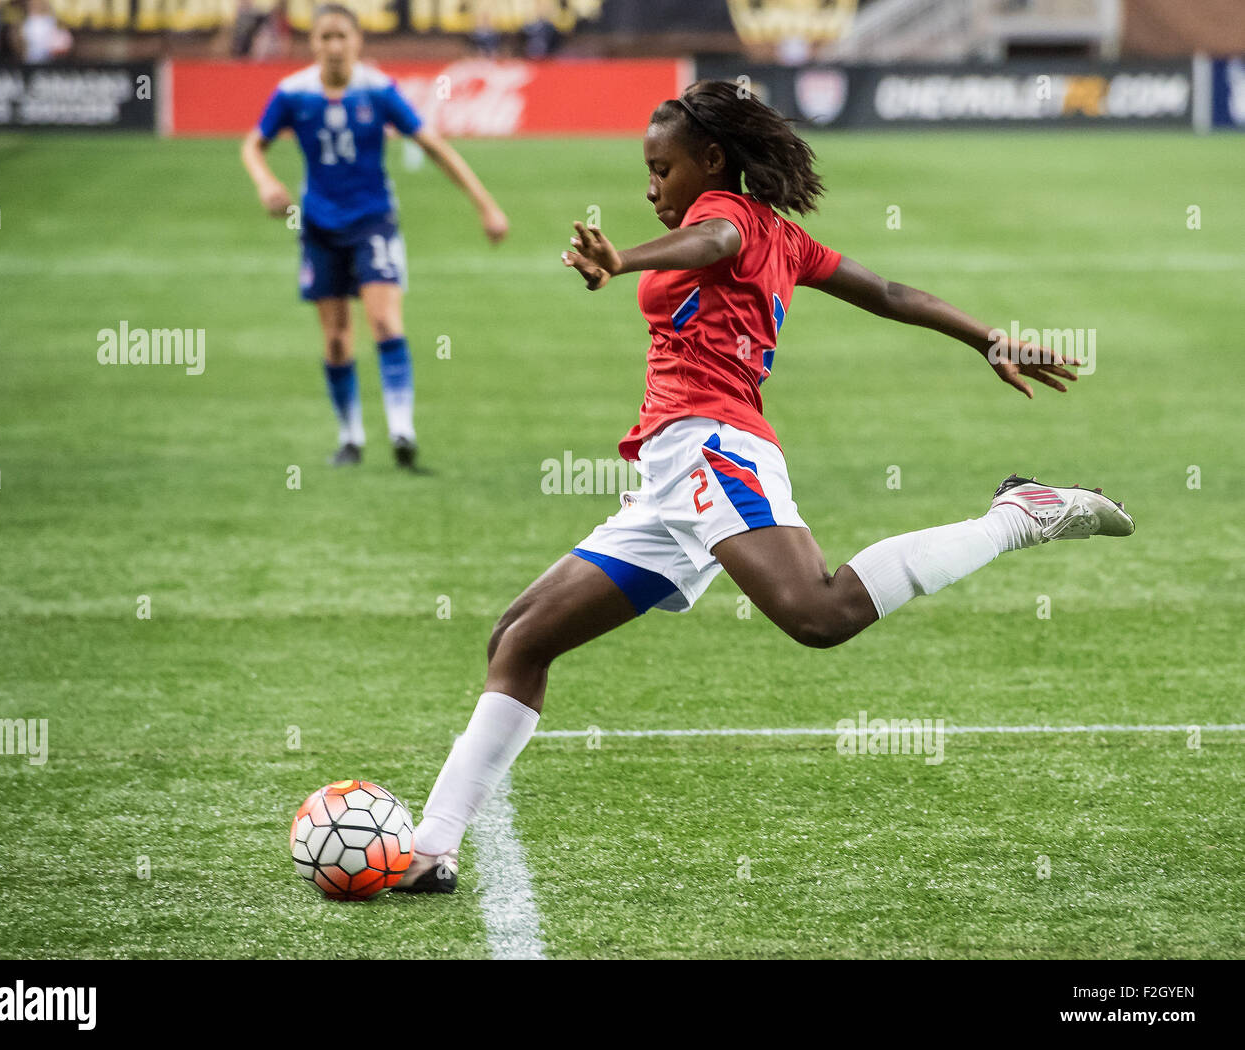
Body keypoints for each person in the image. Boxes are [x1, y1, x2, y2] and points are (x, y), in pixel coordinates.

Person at [393, 80, 1134, 892]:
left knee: (818, 614)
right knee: (521, 639)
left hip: (715, 452)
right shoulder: (782, 236)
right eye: (646, 171)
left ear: (712, 160)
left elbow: (711, 239)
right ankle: (431, 848)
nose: (650, 187)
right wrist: (986, 338)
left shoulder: (734, 219)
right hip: (670, 481)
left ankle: (1018, 515)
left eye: (660, 167)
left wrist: (625, 259)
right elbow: (888, 293)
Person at [240, 3, 509, 468]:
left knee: (384, 323)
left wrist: (485, 204)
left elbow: (434, 146)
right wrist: (265, 181)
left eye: (342, 36)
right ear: (314, 44)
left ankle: (403, 433)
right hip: (320, 227)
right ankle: (350, 439)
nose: (334, 46)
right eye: (325, 37)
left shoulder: (379, 91)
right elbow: (252, 144)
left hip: (374, 222)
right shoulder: (293, 93)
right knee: (337, 341)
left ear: (358, 41)